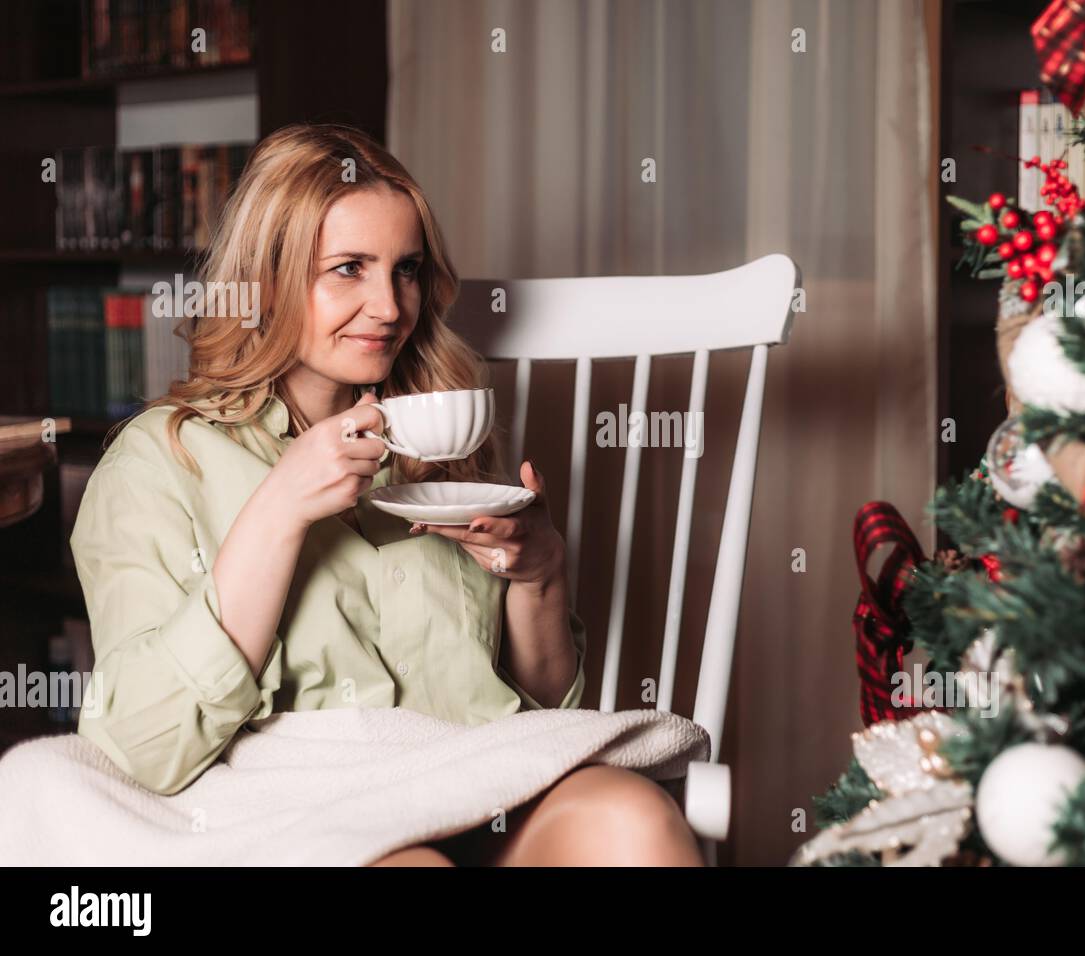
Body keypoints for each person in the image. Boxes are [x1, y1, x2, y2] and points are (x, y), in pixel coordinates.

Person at [71, 122, 703, 866]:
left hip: (480, 787)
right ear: (264, 279)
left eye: (405, 270)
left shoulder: (438, 440)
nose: (389, 306)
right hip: (292, 813)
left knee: (637, 816)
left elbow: (534, 707)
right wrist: (279, 507)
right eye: (348, 268)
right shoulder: (161, 462)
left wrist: (536, 575)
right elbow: (144, 747)